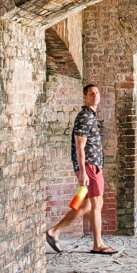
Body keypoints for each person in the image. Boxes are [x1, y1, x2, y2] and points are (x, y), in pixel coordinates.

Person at [47, 83, 116, 255]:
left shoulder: (91, 116)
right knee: (96, 204)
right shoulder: (84, 116)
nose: (95, 95)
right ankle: (98, 244)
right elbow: (80, 146)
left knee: (85, 205)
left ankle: (54, 231)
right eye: (91, 93)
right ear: (85, 97)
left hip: (93, 166)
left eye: (97, 92)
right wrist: (83, 172)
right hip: (90, 167)